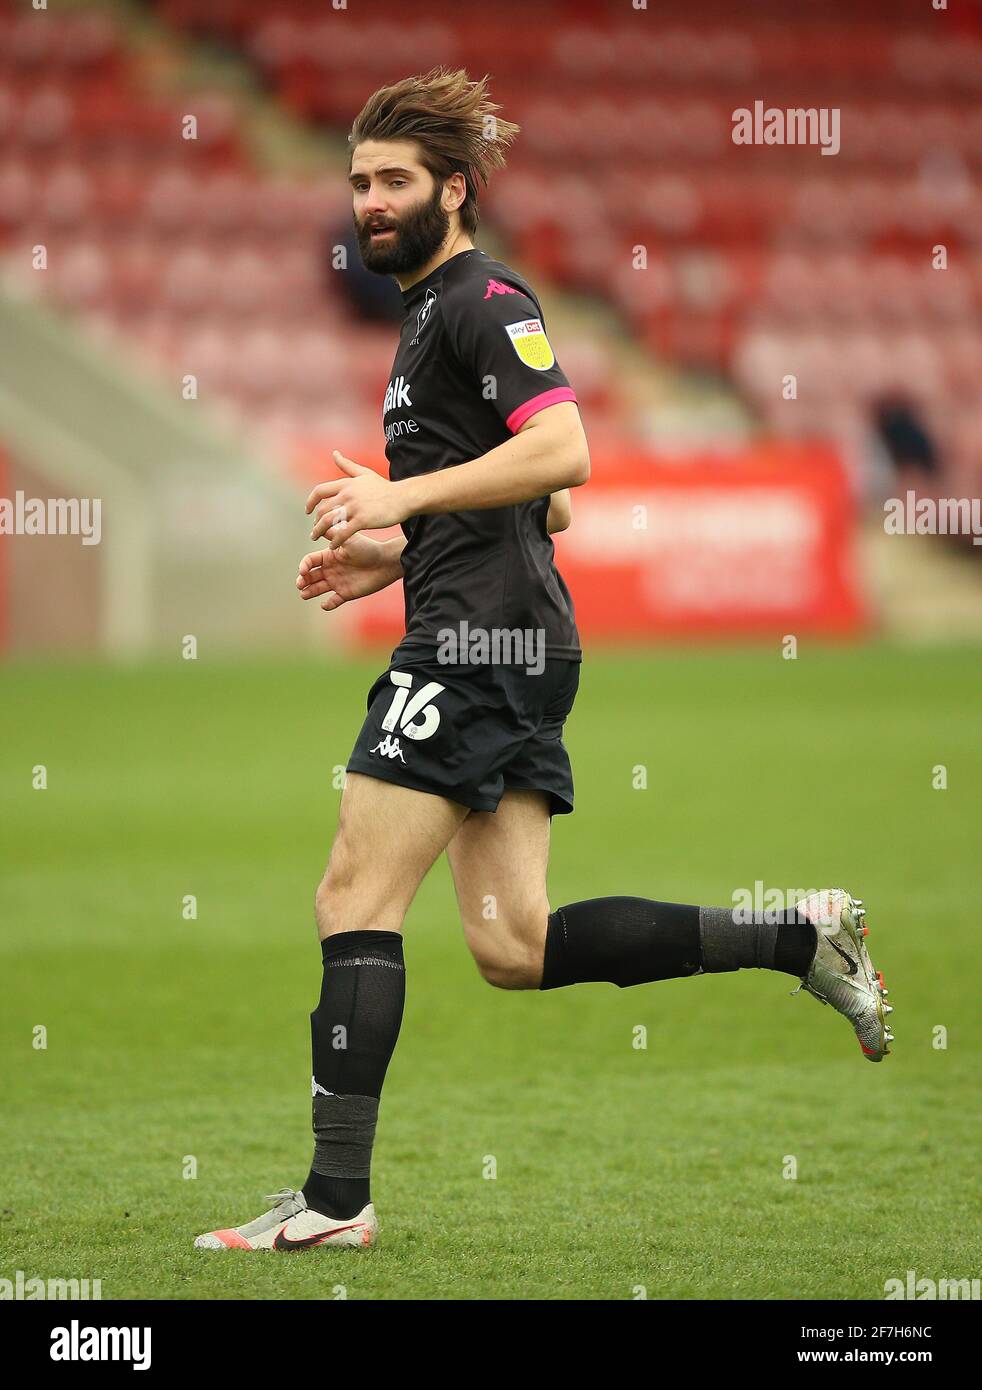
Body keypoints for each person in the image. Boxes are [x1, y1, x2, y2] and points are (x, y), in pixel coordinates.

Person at [195, 69, 892, 1254]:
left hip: (474, 647)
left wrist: (402, 498)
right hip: (504, 633)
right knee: (514, 947)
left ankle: (333, 1197)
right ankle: (799, 935)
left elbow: (564, 452)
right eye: (358, 180)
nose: (367, 200)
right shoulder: (426, 317)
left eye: (394, 181)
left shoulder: (483, 297)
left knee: (352, 897)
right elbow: (540, 513)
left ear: (453, 191)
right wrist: (395, 552)